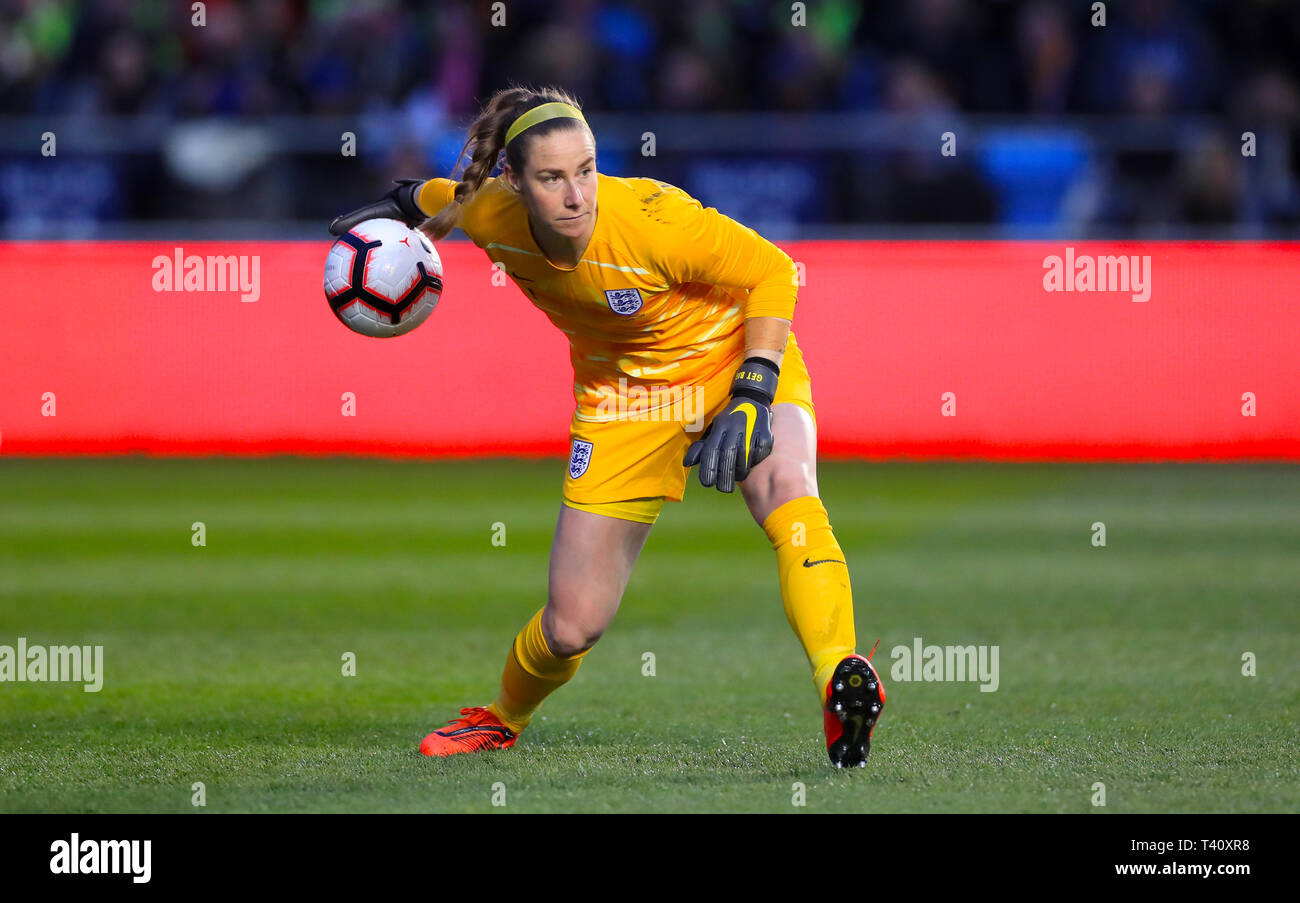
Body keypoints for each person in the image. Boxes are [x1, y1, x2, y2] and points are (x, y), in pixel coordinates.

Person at [329, 85, 885, 768]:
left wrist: (754, 390)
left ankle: (838, 678)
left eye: (586, 170)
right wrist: (400, 205)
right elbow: (434, 195)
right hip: (623, 401)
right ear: (514, 181)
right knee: (571, 627)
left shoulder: (654, 220)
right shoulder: (489, 210)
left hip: (735, 360)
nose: (576, 195)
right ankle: (500, 719)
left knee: (788, 493)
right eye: (552, 178)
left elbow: (773, 270)